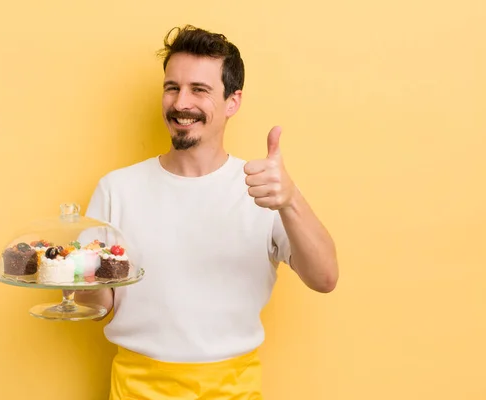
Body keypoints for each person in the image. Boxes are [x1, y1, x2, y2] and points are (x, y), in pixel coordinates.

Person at [74, 25, 338, 400]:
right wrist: (73, 274)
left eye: (200, 90)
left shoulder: (265, 187)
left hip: (233, 391)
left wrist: (291, 200)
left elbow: (325, 278)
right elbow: (98, 307)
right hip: (135, 388)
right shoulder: (117, 189)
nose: (182, 103)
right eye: (172, 87)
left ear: (233, 101)